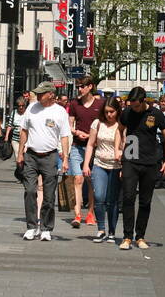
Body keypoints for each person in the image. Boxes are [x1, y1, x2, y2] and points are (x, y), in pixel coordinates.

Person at [16, 81, 71, 241]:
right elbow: (24, 131)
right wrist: (20, 153)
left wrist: (65, 158)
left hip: (50, 156)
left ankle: (46, 228)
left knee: (48, 195)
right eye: (37, 93)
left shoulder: (60, 112)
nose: (38, 95)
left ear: (51, 94)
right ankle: (31, 226)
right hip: (31, 155)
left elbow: (65, 136)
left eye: (41, 93)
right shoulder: (31, 108)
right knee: (30, 191)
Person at [119, 87, 165, 250]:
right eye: (131, 105)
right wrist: (118, 148)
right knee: (128, 197)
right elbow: (119, 130)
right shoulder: (127, 112)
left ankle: (140, 236)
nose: (133, 108)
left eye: (136, 106)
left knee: (145, 201)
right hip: (130, 160)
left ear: (143, 102)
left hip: (150, 162)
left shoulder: (156, 114)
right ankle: (127, 237)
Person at [83, 99, 124, 243]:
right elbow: (90, 144)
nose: (109, 115)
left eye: (112, 112)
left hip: (116, 166)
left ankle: (112, 232)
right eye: (106, 112)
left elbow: (128, 146)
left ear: (118, 111)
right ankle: (101, 229)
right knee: (99, 196)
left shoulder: (122, 125)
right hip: (99, 163)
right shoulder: (97, 123)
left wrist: (124, 166)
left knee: (112, 200)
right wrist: (86, 164)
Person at [67, 76, 104, 228]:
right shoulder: (75, 103)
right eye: (78, 87)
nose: (79, 89)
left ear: (90, 87)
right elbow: (69, 124)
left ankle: (90, 213)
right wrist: (76, 132)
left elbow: (104, 124)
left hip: (94, 148)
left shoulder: (100, 104)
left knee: (91, 181)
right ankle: (77, 214)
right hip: (77, 145)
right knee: (77, 178)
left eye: (82, 86)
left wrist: (92, 136)